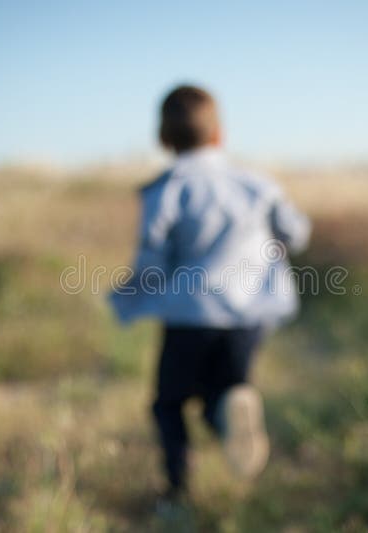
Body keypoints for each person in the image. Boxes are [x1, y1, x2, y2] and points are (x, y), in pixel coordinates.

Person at [109, 84, 310, 501]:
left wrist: (125, 299)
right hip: (250, 315)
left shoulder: (165, 191)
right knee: (225, 393)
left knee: (169, 403)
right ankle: (231, 408)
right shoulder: (257, 185)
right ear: (220, 133)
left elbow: (151, 262)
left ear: (163, 139)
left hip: (190, 315)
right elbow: (296, 232)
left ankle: (177, 493)